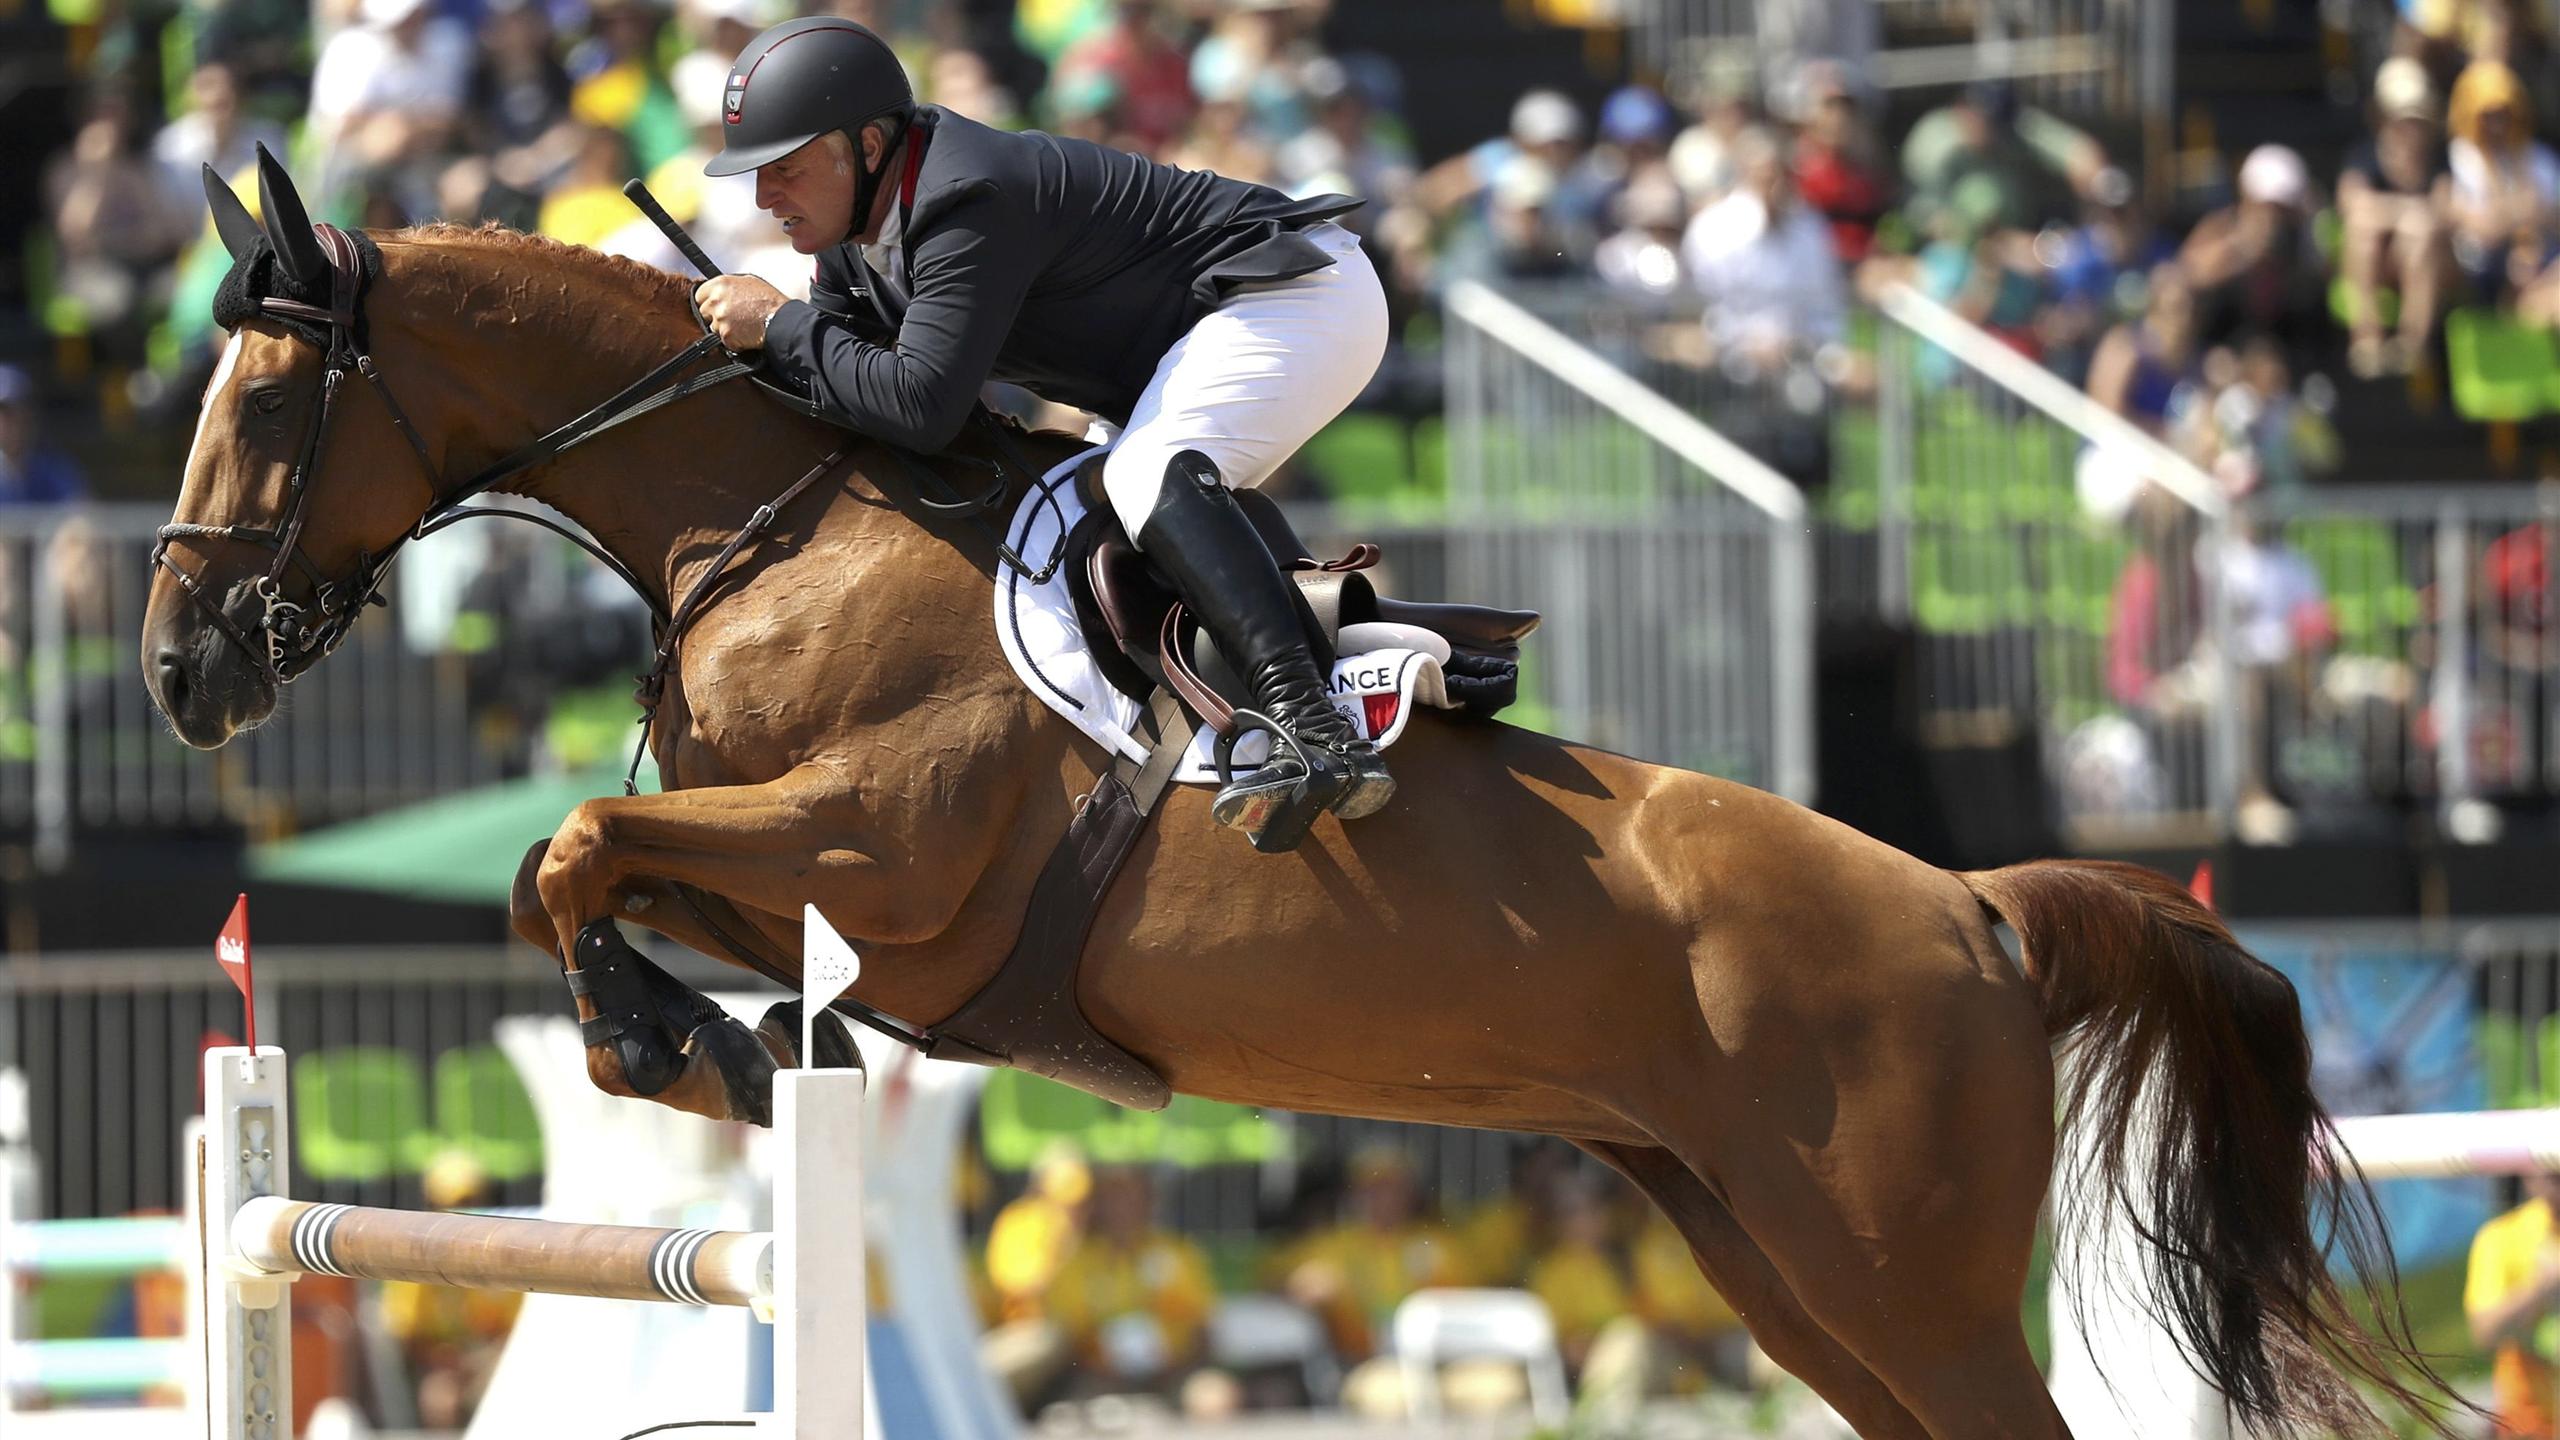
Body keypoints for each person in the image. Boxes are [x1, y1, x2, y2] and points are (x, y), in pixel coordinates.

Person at [689, 18, 1391, 851]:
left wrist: (777, 325)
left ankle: (1313, 726)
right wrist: (768, 347)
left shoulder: (965, 195)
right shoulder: (855, 241)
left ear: (866, 145)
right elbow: (846, 395)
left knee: (1145, 473)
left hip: (1291, 297)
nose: (765, 196)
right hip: (1181, 347)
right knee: (1085, 515)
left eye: (785, 167)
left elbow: (919, 406)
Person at [2468, 1170, 2560, 1436]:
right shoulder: (2501, 1236)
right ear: (2529, 1176)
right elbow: (2484, 1332)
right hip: (2529, 1424)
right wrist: (2541, 1286)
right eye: (2553, 1175)